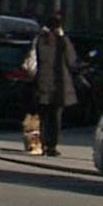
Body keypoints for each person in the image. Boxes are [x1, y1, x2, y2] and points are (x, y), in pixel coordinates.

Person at [30, 11, 79, 157]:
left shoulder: (39, 40)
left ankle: (40, 144)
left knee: (42, 116)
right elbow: (72, 61)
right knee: (55, 118)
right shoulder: (62, 41)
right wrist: (63, 36)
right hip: (59, 86)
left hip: (41, 84)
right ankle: (51, 146)